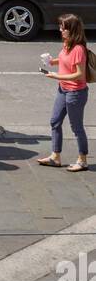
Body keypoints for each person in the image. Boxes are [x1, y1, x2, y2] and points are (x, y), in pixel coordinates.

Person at [38, 13, 93, 172]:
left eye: (64, 28)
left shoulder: (78, 49)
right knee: (55, 121)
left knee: (76, 127)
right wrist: (51, 61)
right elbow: (63, 60)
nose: (61, 30)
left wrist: (57, 76)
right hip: (63, 89)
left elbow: (79, 75)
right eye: (60, 27)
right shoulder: (67, 44)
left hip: (75, 93)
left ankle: (82, 160)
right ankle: (55, 157)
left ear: (72, 29)